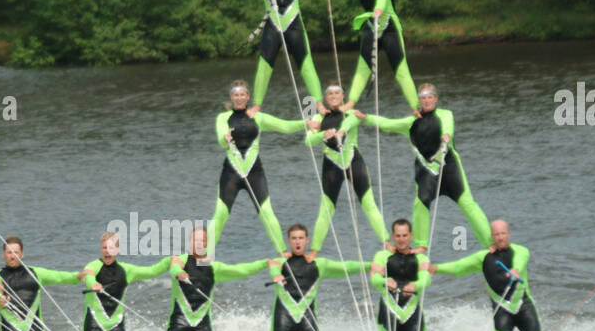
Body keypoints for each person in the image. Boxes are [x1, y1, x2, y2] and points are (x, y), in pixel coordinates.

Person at [368, 83, 491, 250]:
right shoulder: (411, 122)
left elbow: (448, 127)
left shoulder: (445, 114)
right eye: (423, 97)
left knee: (468, 205)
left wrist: (446, 137)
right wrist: (363, 117)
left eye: (430, 97)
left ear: (436, 98)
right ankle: (420, 247)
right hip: (426, 172)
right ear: (419, 100)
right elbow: (387, 124)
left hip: (449, 168)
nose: (426, 100)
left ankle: (490, 244)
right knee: (420, 204)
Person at [429, 219, 550, 331]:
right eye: (497, 234)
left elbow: (520, 260)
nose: (500, 237)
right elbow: (460, 266)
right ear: (491, 236)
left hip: (524, 306)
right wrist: (436, 268)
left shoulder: (521, 250)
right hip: (502, 310)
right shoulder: (483, 257)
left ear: (509, 234)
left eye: (503, 233)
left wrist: (516, 270)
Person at [157, 228, 270, 331]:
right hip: (179, 323)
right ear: (190, 243)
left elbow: (241, 271)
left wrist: (265, 263)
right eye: (195, 240)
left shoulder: (213, 268)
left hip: (202, 327)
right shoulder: (180, 260)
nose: (198, 244)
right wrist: (179, 273)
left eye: (201, 241)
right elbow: (174, 269)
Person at [250, 0, 353, 115]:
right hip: (273, 26)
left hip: (294, 26)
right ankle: (256, 105)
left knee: (306, 64)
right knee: (265, 64)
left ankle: (318, 104)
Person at [207, 80, 305, 256]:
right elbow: (221, 139)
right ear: (231, 97)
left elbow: (285, 126)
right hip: (231, 173)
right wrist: (226, 138)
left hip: (254, 173)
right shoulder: (222, 117)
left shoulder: (258, 117)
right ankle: (202, 257)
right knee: (220, 214)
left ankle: (283, 254)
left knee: (267, 212)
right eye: (235, 95)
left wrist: (306, 123)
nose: (239, 98)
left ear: (248, 96)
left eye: (242, 94)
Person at [77, 232, 170, 331]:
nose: (107, 251)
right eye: (104, 247)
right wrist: (93, 284)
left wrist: (169, 260)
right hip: (94, 324)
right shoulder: (92, 266)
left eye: (111, 247)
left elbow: (152, 271)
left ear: (118, 250)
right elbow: (88, 276)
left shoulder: (127, 270)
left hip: (116, 324)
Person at [266, 224, 366, 331]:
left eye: (301, 238)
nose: (297, 241)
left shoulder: (320, 264)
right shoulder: (280, 262)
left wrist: (370, 266)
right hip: (282, 322)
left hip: (307, 323)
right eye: (294, 238)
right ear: (288, 241)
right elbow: (274, 268)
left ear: (307, 240)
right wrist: (276, 275)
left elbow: (346, 266)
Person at [304, 82, 386, 251]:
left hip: (353, 162)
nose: (333, 96)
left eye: (337, 93)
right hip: (331, 165)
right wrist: (322, 134)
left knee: (369, 204)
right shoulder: (318, 118)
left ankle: (386, 243)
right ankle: (313, 251)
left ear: (343, 97)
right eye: (330, 94)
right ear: (325, 98)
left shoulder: (351, 114)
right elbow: (308, 141)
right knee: (325, 211)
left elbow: (353, 121)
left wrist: (340, 132)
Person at [341, 0, 419, 114]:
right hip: (370, 27)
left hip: (389, 28)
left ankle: (415, 107)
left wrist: (378, 9)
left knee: (400, 69)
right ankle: (350, 102)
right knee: (363, 68)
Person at [370, 219, 432, 331]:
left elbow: (426, 279)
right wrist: (384, 281)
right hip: (389, 313)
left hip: (412, 314)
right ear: (392, 236)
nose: (401, 239)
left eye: (405, 235)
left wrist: (416, 285)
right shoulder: (381, 256)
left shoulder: (421, 258)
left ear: (411, 236)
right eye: (398, 235)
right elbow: (374, 280)